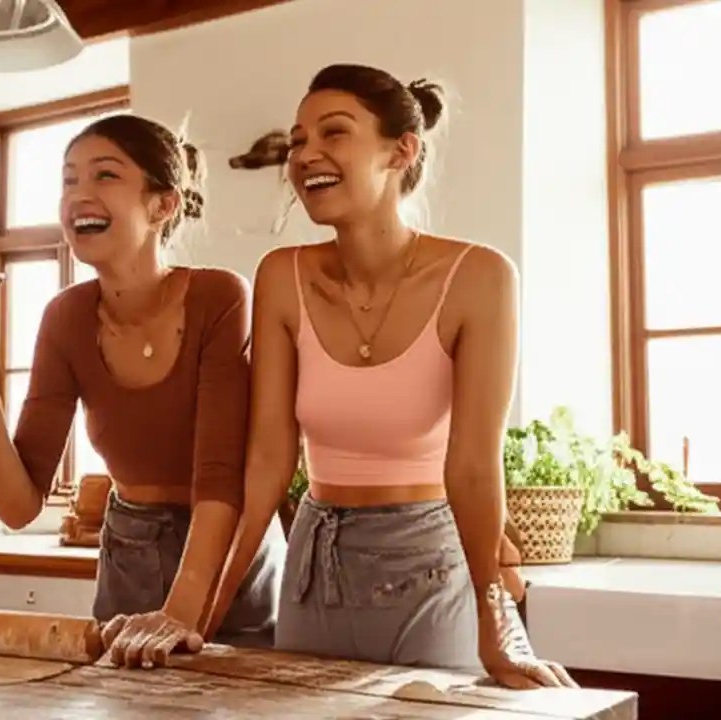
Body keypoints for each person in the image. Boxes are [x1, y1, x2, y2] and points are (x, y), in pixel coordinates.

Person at [162, 63, 573, 688]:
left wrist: (501, 623)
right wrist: (201, 616)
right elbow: (270, 462)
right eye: (299, 140)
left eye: (335, 134)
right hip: (313, 565)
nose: (307, 155)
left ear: (400, 150)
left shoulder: (480, 278)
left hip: (427, 565)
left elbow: (471, 465)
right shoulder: (281, 276)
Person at [0, 114, 282, 667]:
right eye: (68, 180)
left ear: (162, 204)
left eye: (105, 176)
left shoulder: (220, 297)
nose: (79, 195)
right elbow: (21, 504)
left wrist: (179, 614)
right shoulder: (65, 317)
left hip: (222, 557)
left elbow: (219, 479)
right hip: (128, 556)